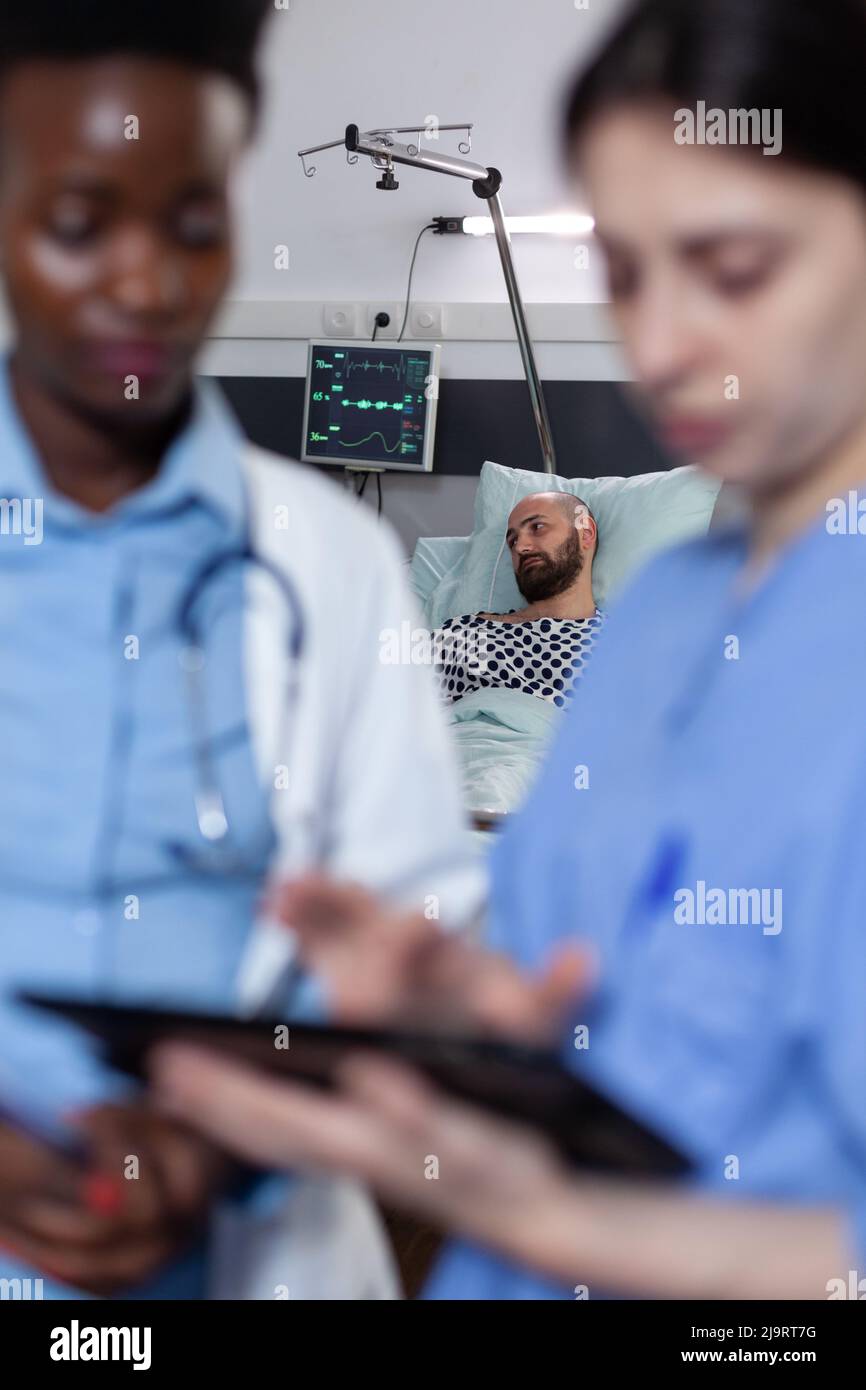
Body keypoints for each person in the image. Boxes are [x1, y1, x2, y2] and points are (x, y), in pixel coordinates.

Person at [153, 0, 866, 1300]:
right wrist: (449, 1000)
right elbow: (612, 1022)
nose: (656, 345)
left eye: (735, 266)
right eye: (627, 273)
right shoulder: (660, 619)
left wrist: (559, 1224)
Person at [0, 0, 481, 1300]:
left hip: (242, 1246)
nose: (147, 282)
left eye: (195, 223)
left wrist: (216, 1143)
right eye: (80, 222)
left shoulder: (329, 563)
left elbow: (411, 928)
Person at [435, 493, 604, 709]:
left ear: (586, 532)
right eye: (512, 540)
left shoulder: (619, 644)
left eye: (537, 527)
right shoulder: (463, 631)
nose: (520, 547)